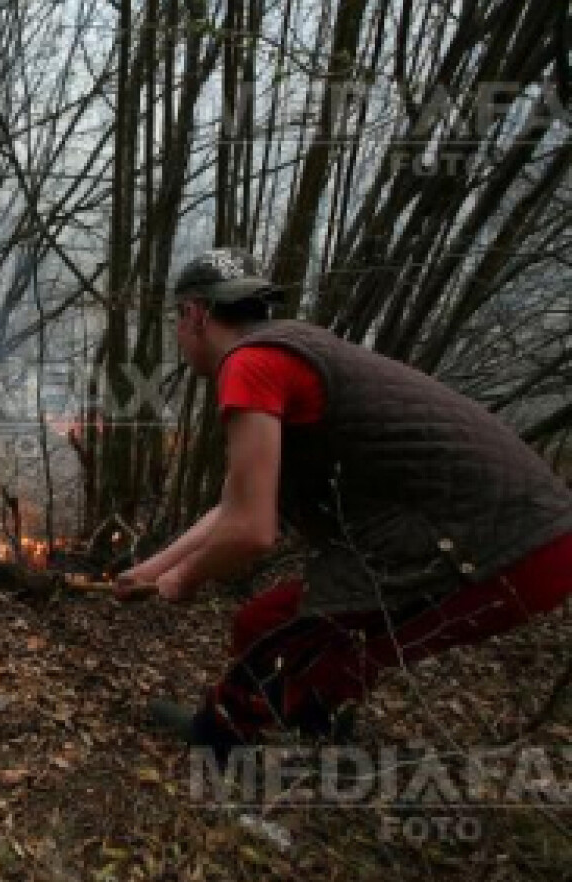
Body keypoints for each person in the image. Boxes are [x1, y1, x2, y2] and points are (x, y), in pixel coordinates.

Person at [117, 247, 572, 759]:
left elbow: (250, 531)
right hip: (526, 536)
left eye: (177, 322)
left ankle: (224, 740)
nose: (178, 338)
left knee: (288, 634)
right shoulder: (291, 349)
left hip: (507, 546)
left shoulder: (252, 366)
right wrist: (149, 570)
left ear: (195, 314)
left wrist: (185, 578)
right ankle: (315, 728)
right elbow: (232, 506)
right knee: (297, 632)